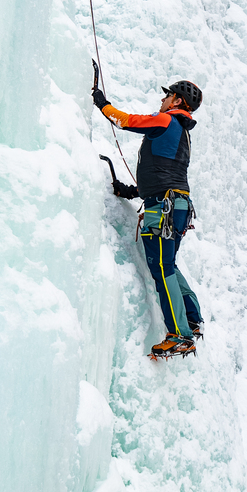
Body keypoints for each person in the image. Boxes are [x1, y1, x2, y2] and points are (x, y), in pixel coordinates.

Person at [92, 79, 204, 358]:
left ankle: (180, 334)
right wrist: (131, 192)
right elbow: (163, 171)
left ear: (178, 101)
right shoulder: (181, 133)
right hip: (175, 206)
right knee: (169, 264)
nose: (163, 100)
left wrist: (101, 103)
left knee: (162, 268)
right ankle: (191, 318)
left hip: (164, 208)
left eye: (168, 96)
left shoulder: (167, 121)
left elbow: (128, 121)